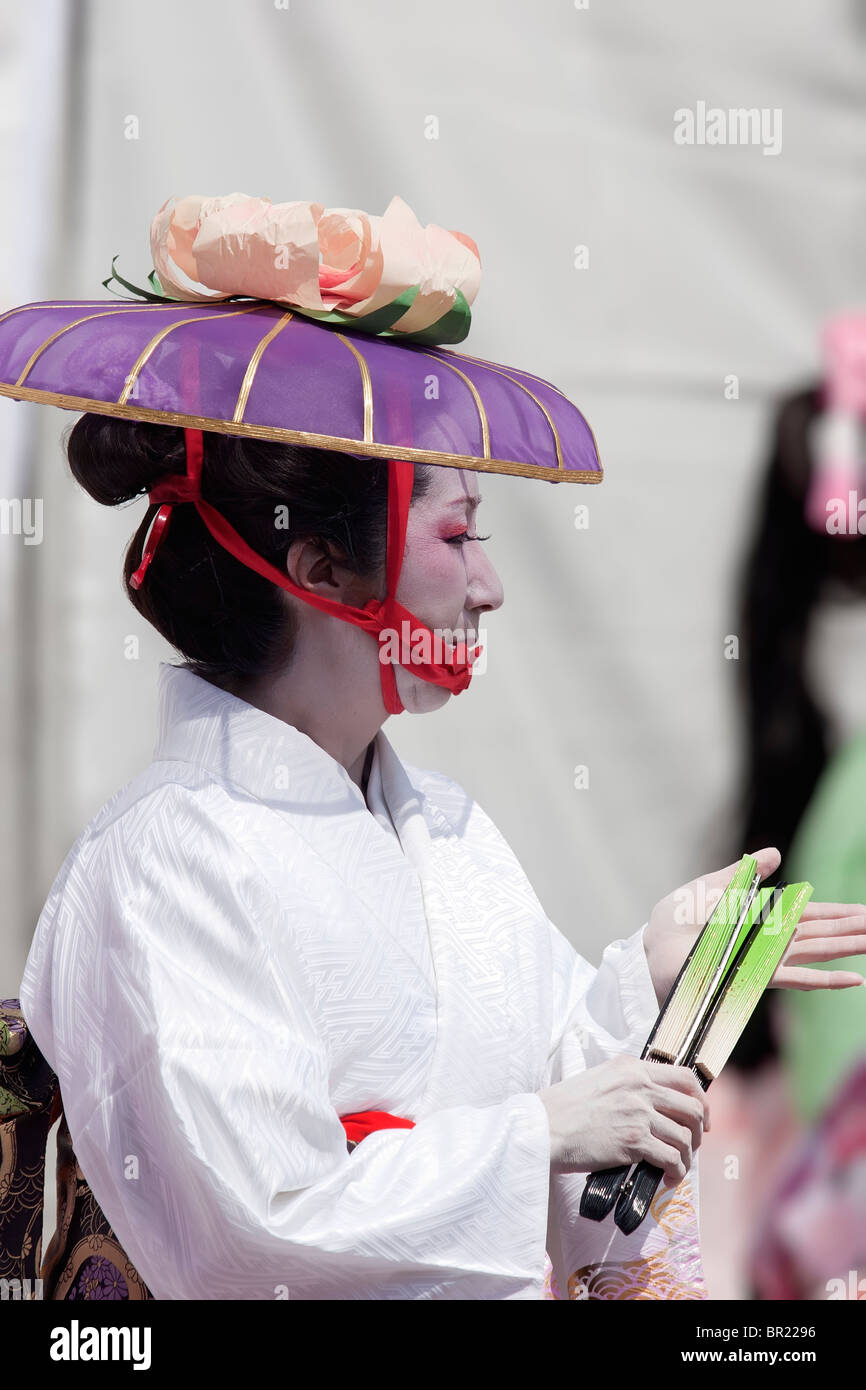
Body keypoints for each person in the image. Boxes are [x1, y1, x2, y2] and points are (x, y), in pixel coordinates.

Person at [8, 197, 866, 1299]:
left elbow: (566, 1104)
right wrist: (535, 1133)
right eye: (456, 537)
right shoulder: (167, 858)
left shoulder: (447, 828)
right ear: (317, 569)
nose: (488, 586)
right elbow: (257, 1231)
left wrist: (658, 978)